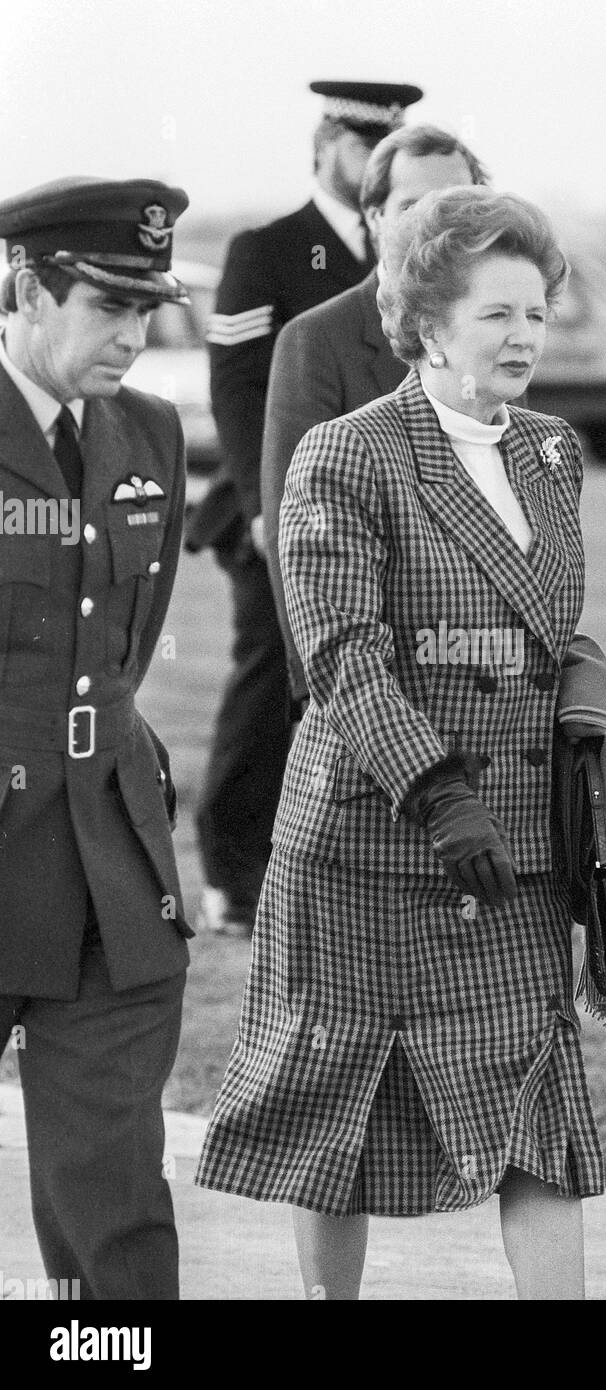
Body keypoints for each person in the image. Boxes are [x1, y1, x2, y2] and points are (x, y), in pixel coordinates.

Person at [196, 187, 603, 1300]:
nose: (525, 336)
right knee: (342, 1117)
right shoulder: (345, 455)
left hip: (519, 850)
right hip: (366, 853)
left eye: (536, 312)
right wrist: (435, 790)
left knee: (540, 1111)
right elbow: (338, 657)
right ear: (426, 325)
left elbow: (551, 636)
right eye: (497, 316)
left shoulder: (556, 453)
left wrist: (605, 749)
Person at [0, 177, 193, 1299]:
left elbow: (122, 652)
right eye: (106, 305)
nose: (133, 335)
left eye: (147, 309)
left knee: (115, 1205)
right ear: (25, 288)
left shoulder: (149, 435)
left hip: (108, 864)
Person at [189, 79, 424, 937]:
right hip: (274, 505)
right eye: (364, 145)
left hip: (378, 508)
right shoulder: (267, 248)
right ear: (326, 146)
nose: (376, 163)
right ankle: (232, 870)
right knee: (267, 685)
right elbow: (238, 387)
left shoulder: (408, 247)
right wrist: (263, 505)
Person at [261, 123, 489, 702]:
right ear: (374, 217)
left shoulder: (496, 341)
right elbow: (299, 550)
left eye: (456, 204)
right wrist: (329, 697)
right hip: (368, 685)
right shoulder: (316, 340)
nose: (436, 222)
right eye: (411, 204)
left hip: (491, 685)